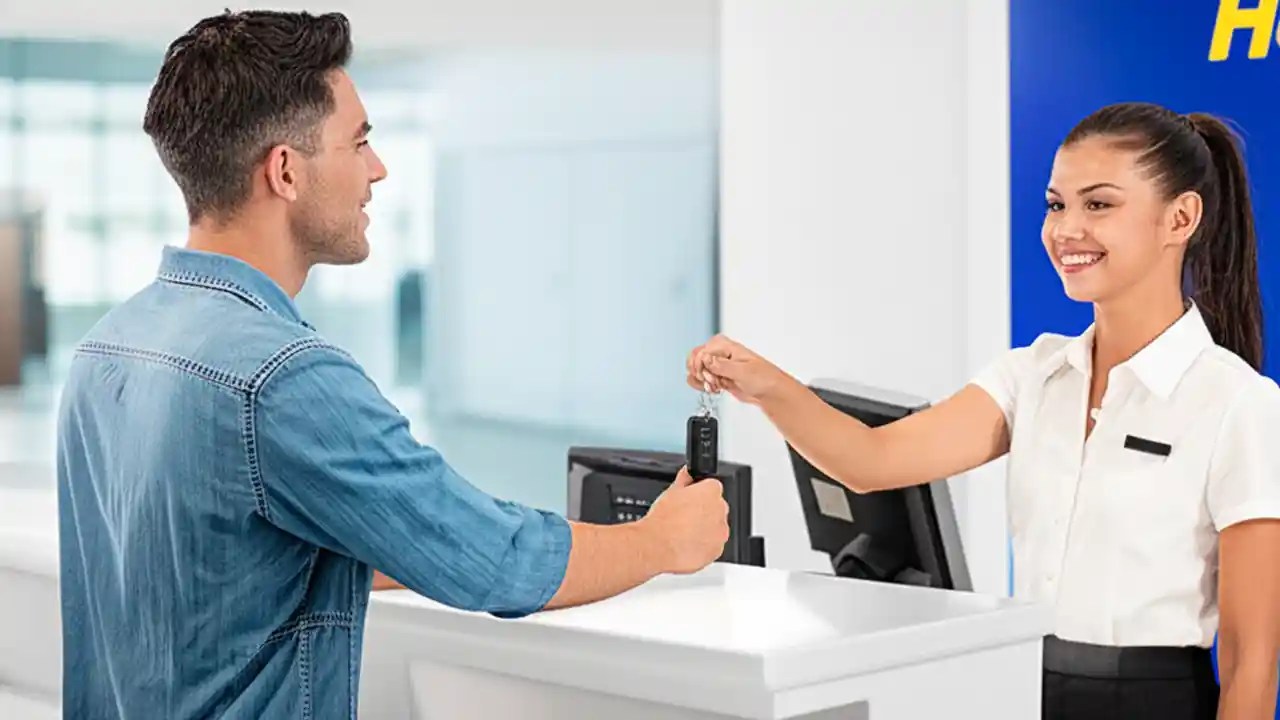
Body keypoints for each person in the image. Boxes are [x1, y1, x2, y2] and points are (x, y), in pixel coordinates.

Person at [56, 10, 729, 720]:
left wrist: (401, 539)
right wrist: (661, 539)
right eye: (359, 142)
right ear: (285, 171)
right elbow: (491, 560)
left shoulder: (106, 348)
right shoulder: (283, 379)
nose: (377, 169)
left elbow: (213, 568)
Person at [687, 102, 1280, 720]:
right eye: (1056, 205)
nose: (1066, 229)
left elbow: (1251, 663)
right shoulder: (1034, 375)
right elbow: (871, 461)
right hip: (1023, 688)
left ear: (1181, 218)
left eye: (1099, 205)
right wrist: (767, 386)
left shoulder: (1238, 404)